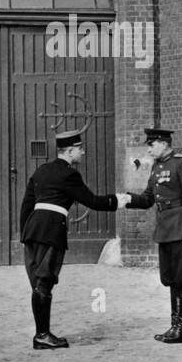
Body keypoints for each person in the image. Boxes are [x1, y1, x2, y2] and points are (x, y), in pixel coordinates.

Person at [19, 129, 129, 349]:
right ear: (69, 151)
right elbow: (93, 202)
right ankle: (42, 335)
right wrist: (120, 200)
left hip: (32, 231)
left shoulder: (41, 171)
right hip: (51, 232)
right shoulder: (69, 174)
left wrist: (25, 233)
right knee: (45, 282)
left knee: (38, 285)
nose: (83, 152)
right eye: (79, 148)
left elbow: (26, 206)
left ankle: (42, 333)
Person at [126, 127, 182, 343]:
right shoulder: (157, 167)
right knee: (171, 278)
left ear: (163, 143)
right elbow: (149, 198)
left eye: (151, 145)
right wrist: (127, 199)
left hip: (181, 229)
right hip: (165, 230)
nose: (149, 149)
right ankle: (175, 326)